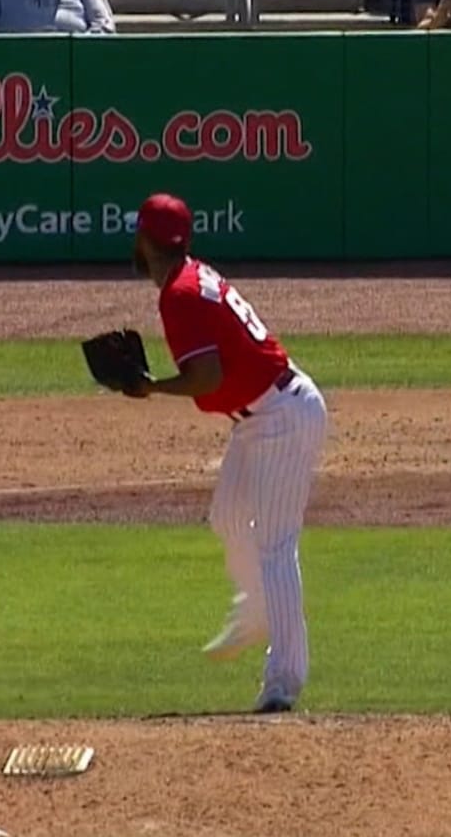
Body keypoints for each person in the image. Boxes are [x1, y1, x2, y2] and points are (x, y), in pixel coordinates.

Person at [124, 192, 329, 714]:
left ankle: (284, 680)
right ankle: (257, 607)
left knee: (277, 546)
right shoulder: (193, 276)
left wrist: (150, 388)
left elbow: (206, 377)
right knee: (230, 518)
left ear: (145, 241)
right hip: (262, 415)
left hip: (283, 416)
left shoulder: (180, 294)